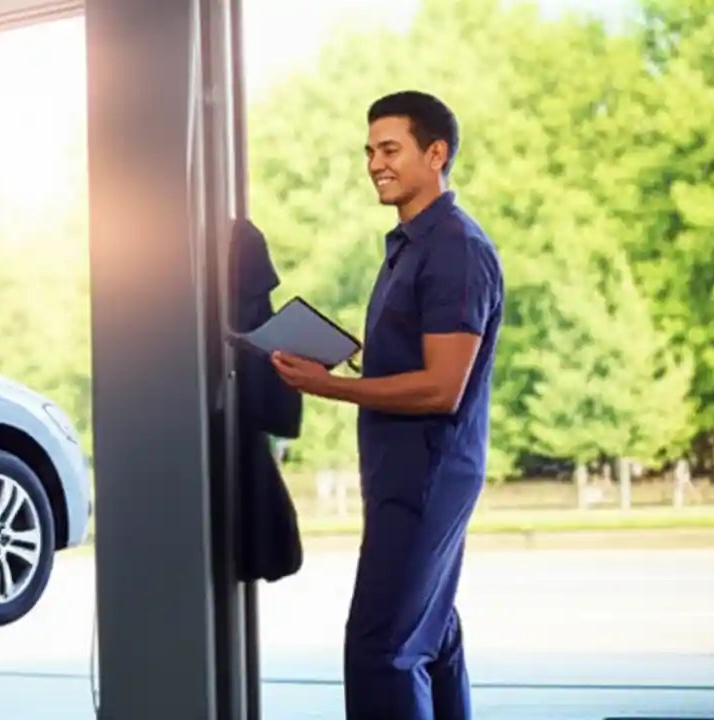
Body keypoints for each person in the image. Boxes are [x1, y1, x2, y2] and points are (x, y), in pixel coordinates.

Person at [271, 90, 504, 719]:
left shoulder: (454, 248)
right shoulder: (408, 246)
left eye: (391, 149)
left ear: (436, 154)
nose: (375, 162)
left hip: (426, 476)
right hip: (403, 473)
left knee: (381, 649)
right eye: (370, 150)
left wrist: (332, 386)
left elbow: (441, 386)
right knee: (430, 636)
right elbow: (417, 364)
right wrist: (345, 364)